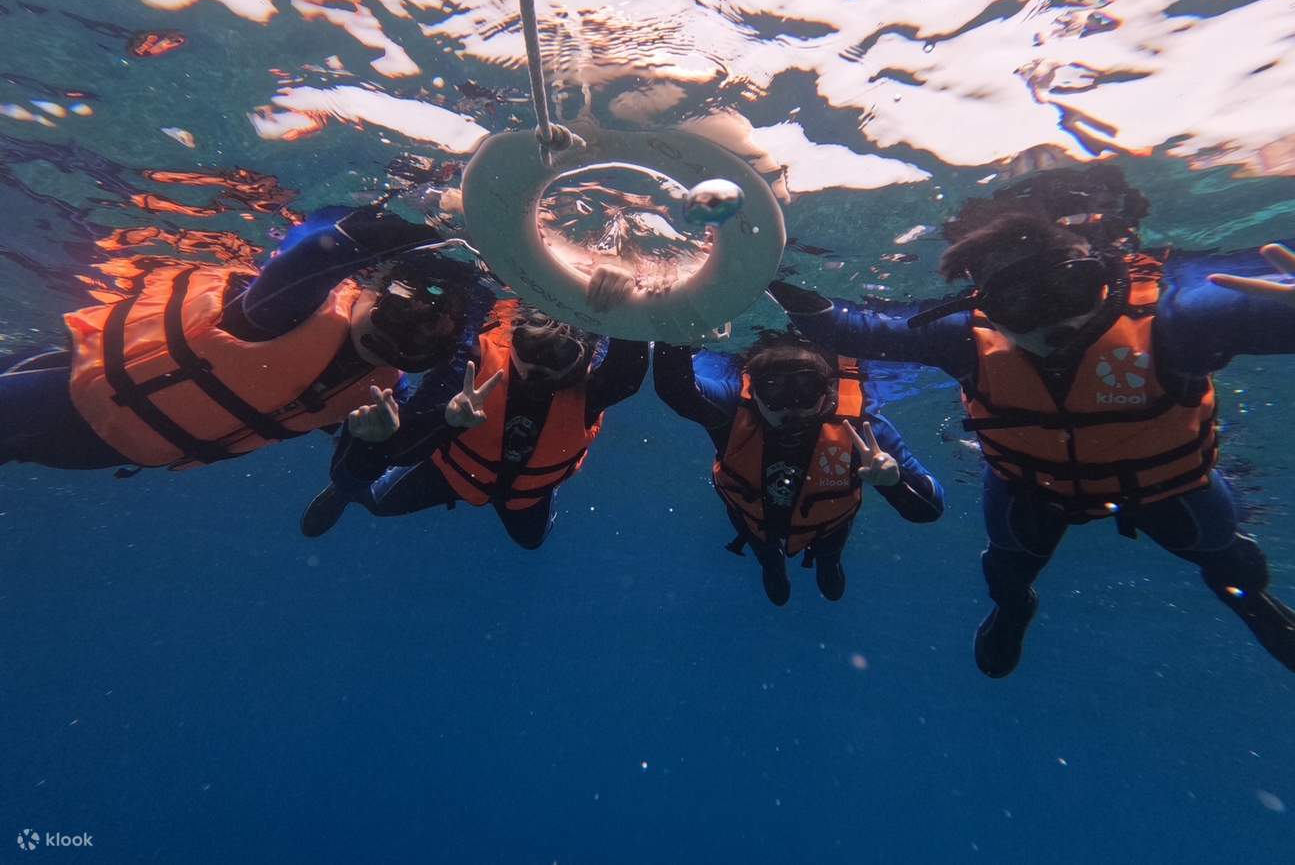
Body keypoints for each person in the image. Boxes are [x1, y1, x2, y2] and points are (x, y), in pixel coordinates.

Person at [768, 164, 1295, 674]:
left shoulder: (1179, 320)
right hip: (1034, 487)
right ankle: (1014, 610)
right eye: (1019, 304)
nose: (1053, 321)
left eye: (1070, 289)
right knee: (1007, 569)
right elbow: (844, 329)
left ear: (1100, 274)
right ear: (987, 307)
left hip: (1168, 485)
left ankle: (1253, 604)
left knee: (1230, 563)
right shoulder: (963, 338)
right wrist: (761, 273)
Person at [0, 202, 491, 472]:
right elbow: (318, 249)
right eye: (397, 313)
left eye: (429, 342)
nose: (398, 341)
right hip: (58, 392)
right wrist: (406, 230)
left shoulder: (378, 395)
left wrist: (373, 440)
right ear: (368, 288)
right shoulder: (287, 312)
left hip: (98, 453)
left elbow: (370, 468)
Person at [299, 296, 649, 550]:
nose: (535, 368)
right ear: (512, 338)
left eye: (558, 354)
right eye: (528, 346)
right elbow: (403, 448)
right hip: (451, 472)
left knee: (530, 543)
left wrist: (624, 302)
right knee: (377, 502)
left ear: (586, 355)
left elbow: (629, 374)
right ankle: (343, 493)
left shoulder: (591, 392)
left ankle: (541, 485)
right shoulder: (471, 362)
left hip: (527, 492)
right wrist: (447, 421)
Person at [653, 332, 944, 605]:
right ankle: (771, 562)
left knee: (829, 559)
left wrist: (894, 483)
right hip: (753, 518)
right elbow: (676, 389)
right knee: (764, 547)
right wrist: (676, 318)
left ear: (826, 391)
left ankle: (827, 562)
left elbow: (928, 510)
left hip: (828, 525)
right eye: (773, 389)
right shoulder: (731, 410)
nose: (791, 406)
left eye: (806, 389)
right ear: (753, 390)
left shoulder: (861, 430)